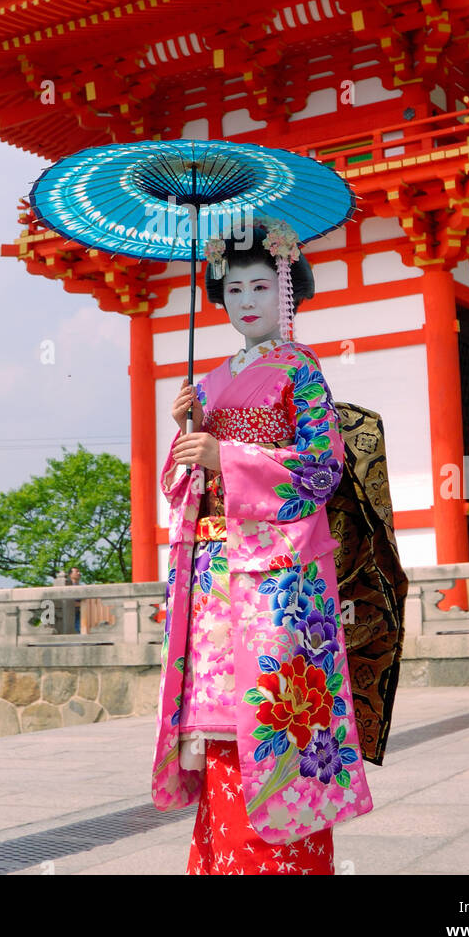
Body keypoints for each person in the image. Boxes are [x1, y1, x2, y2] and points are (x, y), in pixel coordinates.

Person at [151, 219, 374, 875]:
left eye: (262, 286)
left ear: (288, 294)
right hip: (215, 577)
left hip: (278, 578)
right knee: (220, 728)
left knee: (276, 721)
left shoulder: (300, 369)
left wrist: (228, 454)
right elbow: (178, 486)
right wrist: (189, 435)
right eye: (234, 287)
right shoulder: (213, 383)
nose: (247, 299)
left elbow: (322, 467)